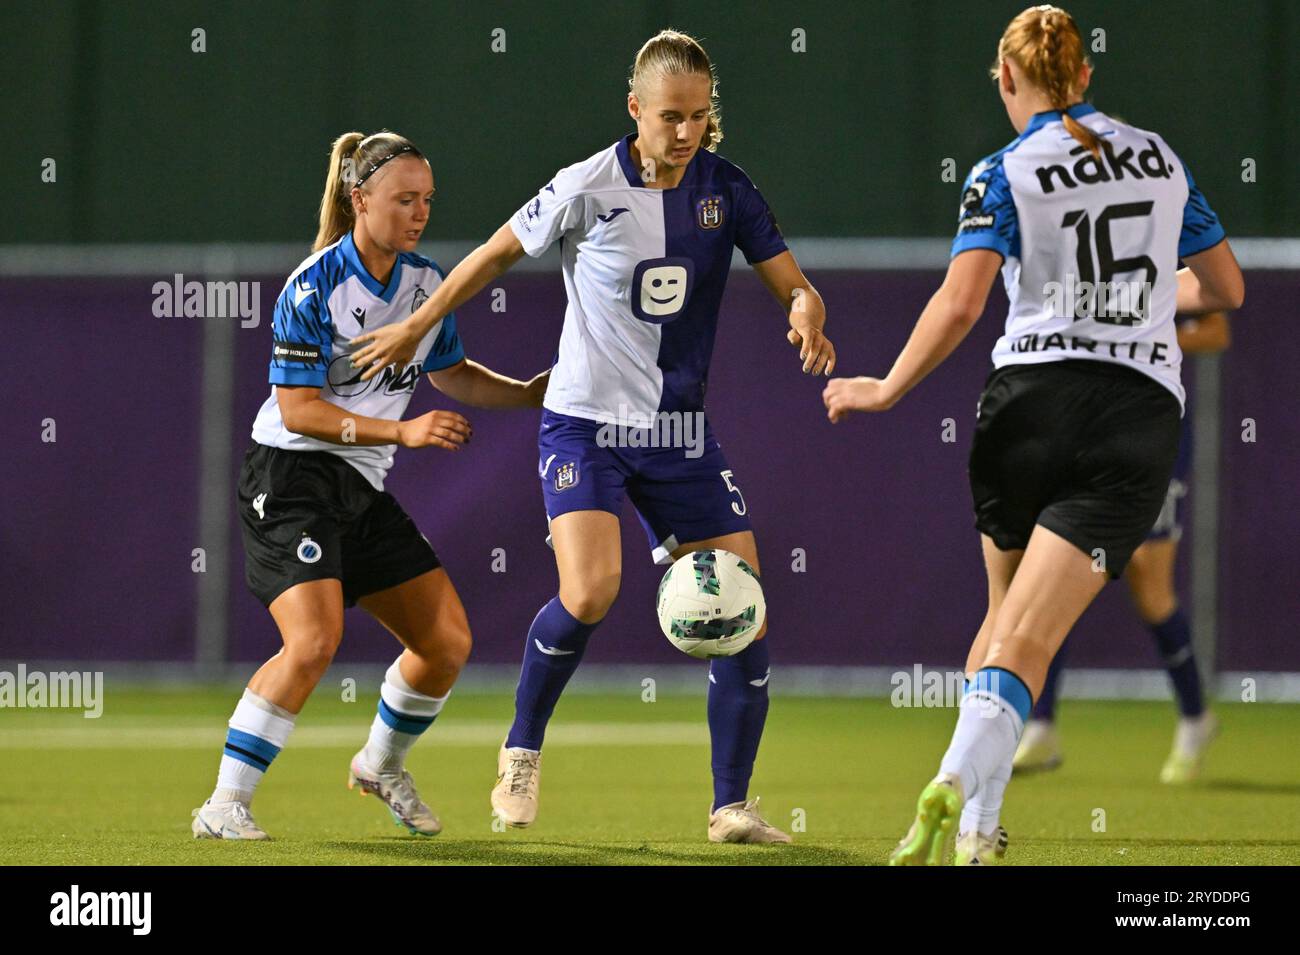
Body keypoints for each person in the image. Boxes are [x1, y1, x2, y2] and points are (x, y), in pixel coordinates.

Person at [349, 30, 835, 843]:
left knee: (742, 607)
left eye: (699, 118)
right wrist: (419, 322)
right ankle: (522, 749)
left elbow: (793, 282)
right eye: (670, 117)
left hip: (679, 433)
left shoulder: (729, 191)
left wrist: (806, 312)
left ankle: (731, 806)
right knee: (591, 591)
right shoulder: (586, 184)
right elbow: (493, 256)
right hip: (584, 424)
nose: (685, 134)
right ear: (635, 110)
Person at [822, 5, 1243, 865]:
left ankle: (976, 821)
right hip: (1135, 416)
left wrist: (888, 386)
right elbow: (1226, 287)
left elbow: (963, 301)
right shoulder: (1159, 157)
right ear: (1084, 75)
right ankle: (964, 804)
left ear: (1008, 79)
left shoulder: (1001, 170)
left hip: (1029, 405)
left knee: (1002, 622)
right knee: (1033, 638)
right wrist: (1146, 303)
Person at [190, 130, 548, 840]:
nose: (419, 213)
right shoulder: (314, 285)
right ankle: (223, 804)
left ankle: (379, 763)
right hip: (289, 477)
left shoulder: (423, 283)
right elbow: (300, 411)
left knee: (445, 641)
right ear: (360, 199)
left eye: (427, 200)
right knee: (313, 639)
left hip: (359, 485)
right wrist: (403, 432)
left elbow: (452, 371)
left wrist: (531, 393)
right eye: (404, 198)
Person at [1015, 312, 1231, 783]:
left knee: (1149, 588)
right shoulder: (1070, 249)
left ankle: (1196, 719)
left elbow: (1216, 329)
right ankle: (1041, 725)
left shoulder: (1168, 245)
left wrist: (1140, 335)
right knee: (1057, 573)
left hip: (1153, 431)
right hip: (1081, 430)